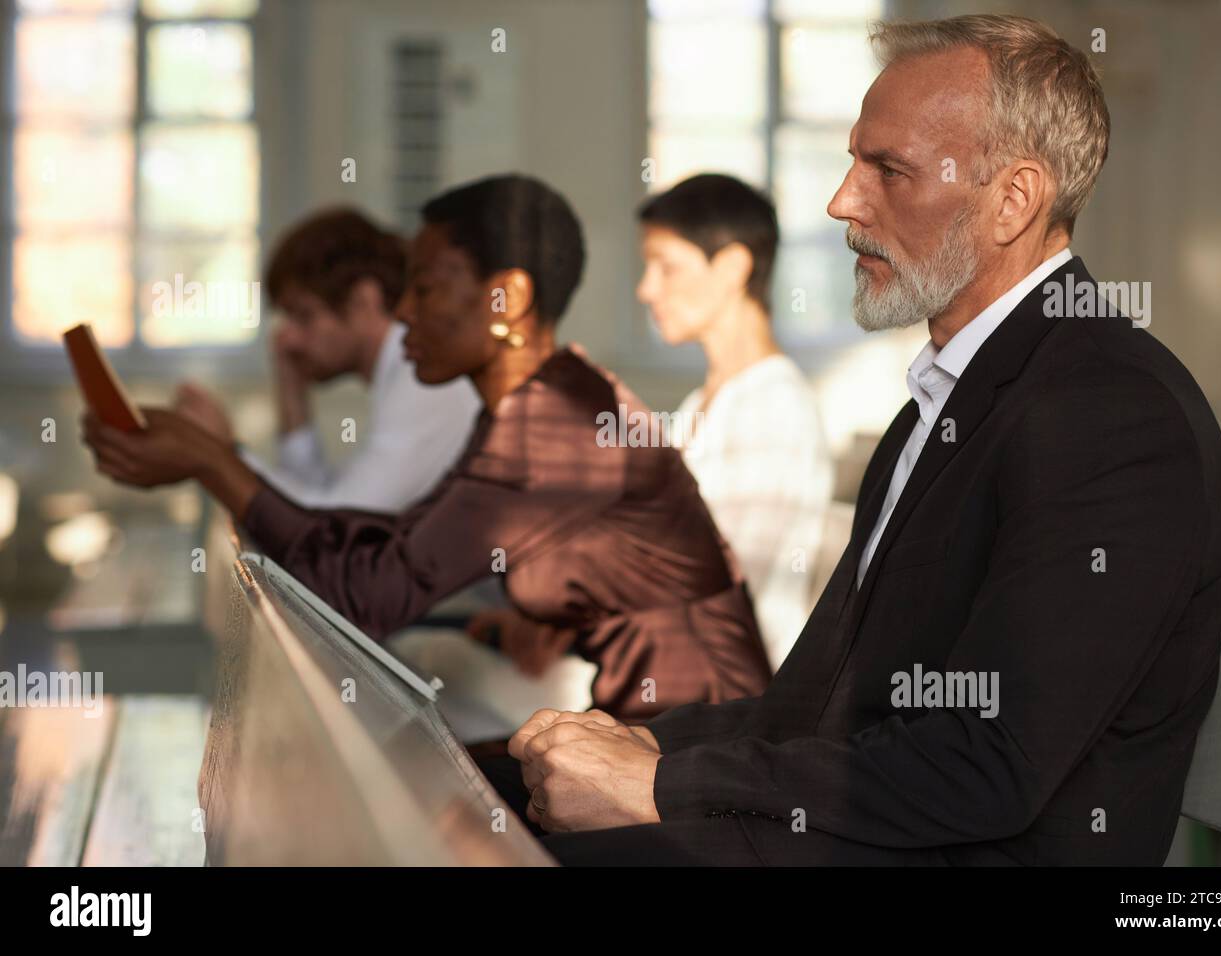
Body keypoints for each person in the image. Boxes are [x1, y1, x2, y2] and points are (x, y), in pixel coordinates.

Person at [479, 14, 1221, 866]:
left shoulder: (1111, 414)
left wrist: (659, 787)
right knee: (490, 787)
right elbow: (820, 706)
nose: (842, 201)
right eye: (853, 161)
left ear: (1014, 199)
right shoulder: (950, 395)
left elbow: (990, 766)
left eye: (889, 169)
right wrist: (637, 743)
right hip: (884, 831)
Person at [82, 175, 772, 722]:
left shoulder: (555, 418)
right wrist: (216, 461)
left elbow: (370, 593)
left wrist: (214, 462)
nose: (404, 310)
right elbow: (398, 547)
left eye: (426, 286)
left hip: (695, 767)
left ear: (506, 299)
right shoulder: (526, 408)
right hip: (643, 738)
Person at [636, 174, 832, 669]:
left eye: (666, 267)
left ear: (732, 268)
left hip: (722, 685)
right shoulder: (698, 404)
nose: (646, 289)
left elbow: (716, 583)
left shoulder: (775, 407)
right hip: (668, 661)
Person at [175, 207, 481, 513]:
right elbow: (315, 508)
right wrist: (291, 390)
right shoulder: (403, 374)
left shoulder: (426, 381)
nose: (286, 338)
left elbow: (334, 529)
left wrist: (224, 455)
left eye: (304, 315)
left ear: (363, 301)